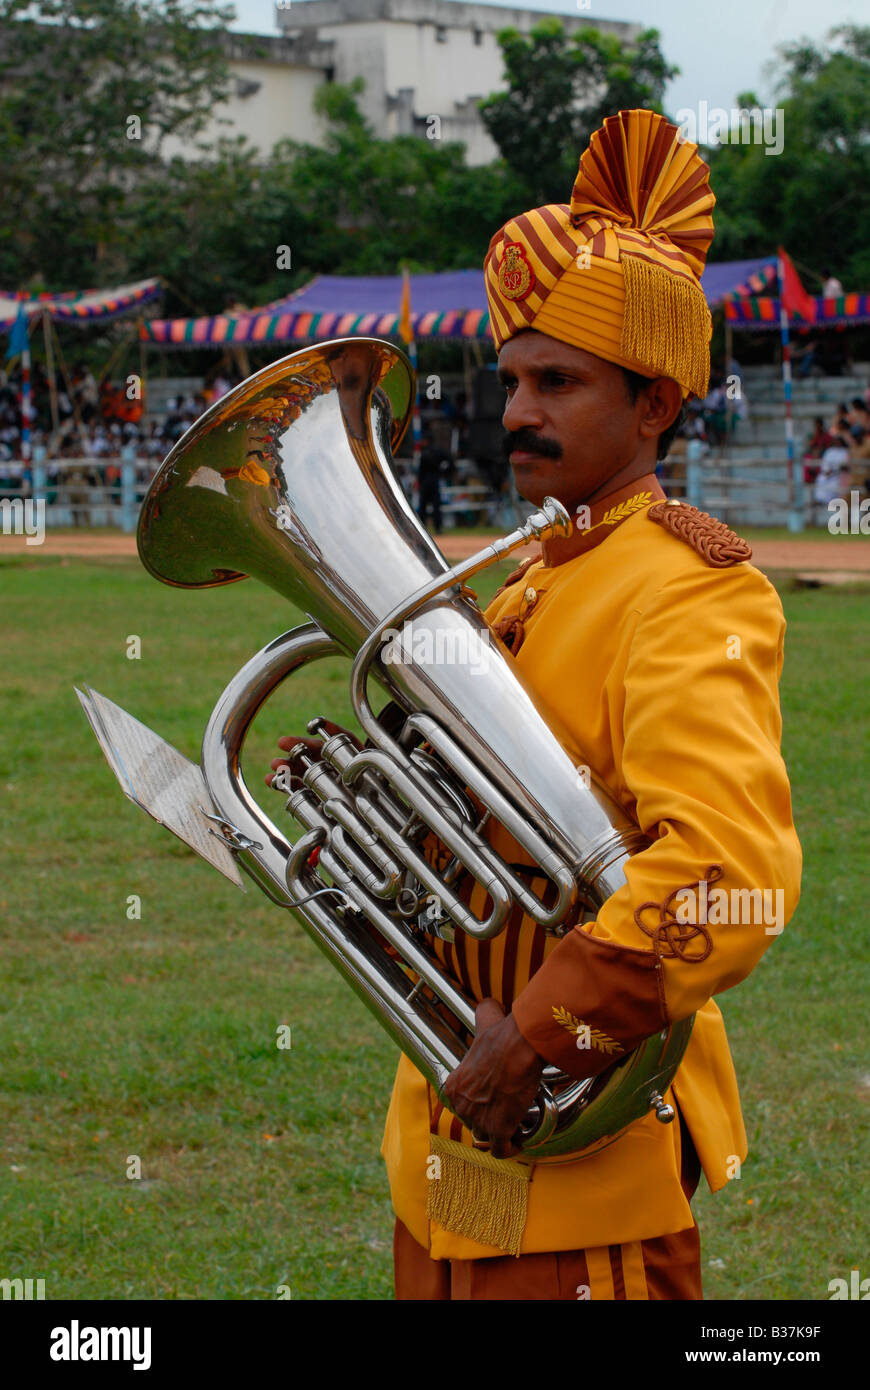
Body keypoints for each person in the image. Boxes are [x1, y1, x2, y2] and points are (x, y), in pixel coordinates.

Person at [267, 109, 802, 1301]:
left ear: (656, 402)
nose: (515, 412)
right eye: (511, 379)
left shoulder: (688, 585)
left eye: (557, 382)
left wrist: (546, 1027)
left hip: (586, 1171)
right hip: (453, 1151)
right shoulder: (521, 579)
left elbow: (726, 873)